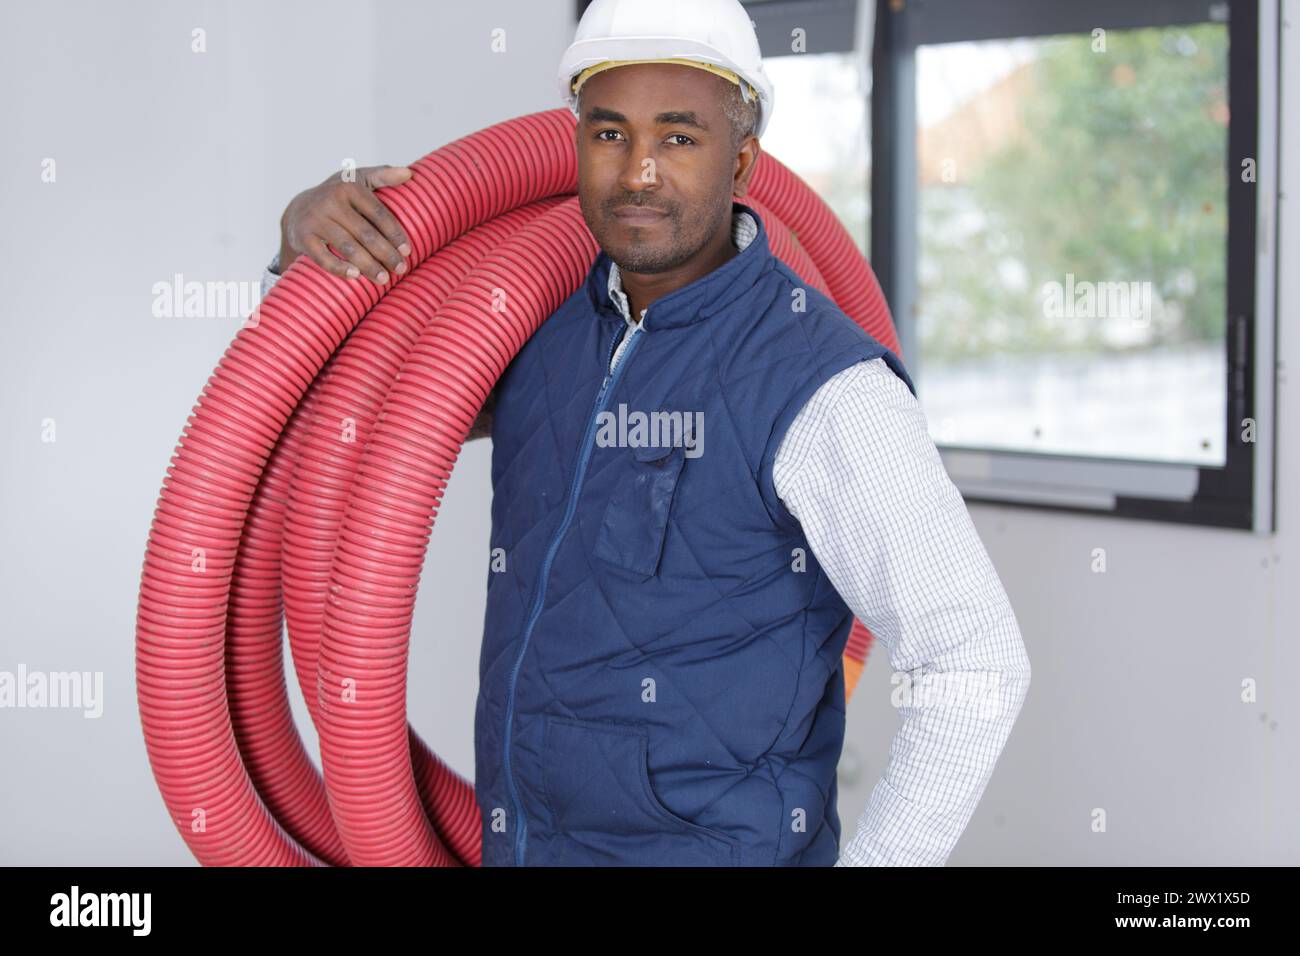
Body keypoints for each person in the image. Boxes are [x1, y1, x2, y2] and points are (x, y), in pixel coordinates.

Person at [260, 0, 1031, 866]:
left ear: (742, 159)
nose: (638, 174)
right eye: (609, 133)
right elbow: (343, 428)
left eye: (679, 138)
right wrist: (302, 266)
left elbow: (975, 662)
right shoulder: (531, 332)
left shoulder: (822, 382)